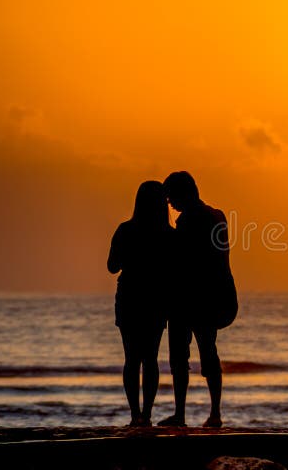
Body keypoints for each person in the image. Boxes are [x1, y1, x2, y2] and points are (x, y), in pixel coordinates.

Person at [158, 171, 236, 428]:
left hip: (189, 298)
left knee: (180, 358)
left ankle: (182, 414)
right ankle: (215, 413)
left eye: (171, 197)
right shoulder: (217, 216)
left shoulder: (187, 223)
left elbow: (182, 263)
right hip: (212, 296)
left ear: (183, 194)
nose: (169, 203)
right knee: (208, 354)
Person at [107, 181, 174, 427]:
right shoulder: (168, 234)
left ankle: (135, 415)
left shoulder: (125, 230)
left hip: (130, 298)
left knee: (131, 359)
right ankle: (146, 415)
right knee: (151, 359)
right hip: (156, 300)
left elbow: (112, 266)